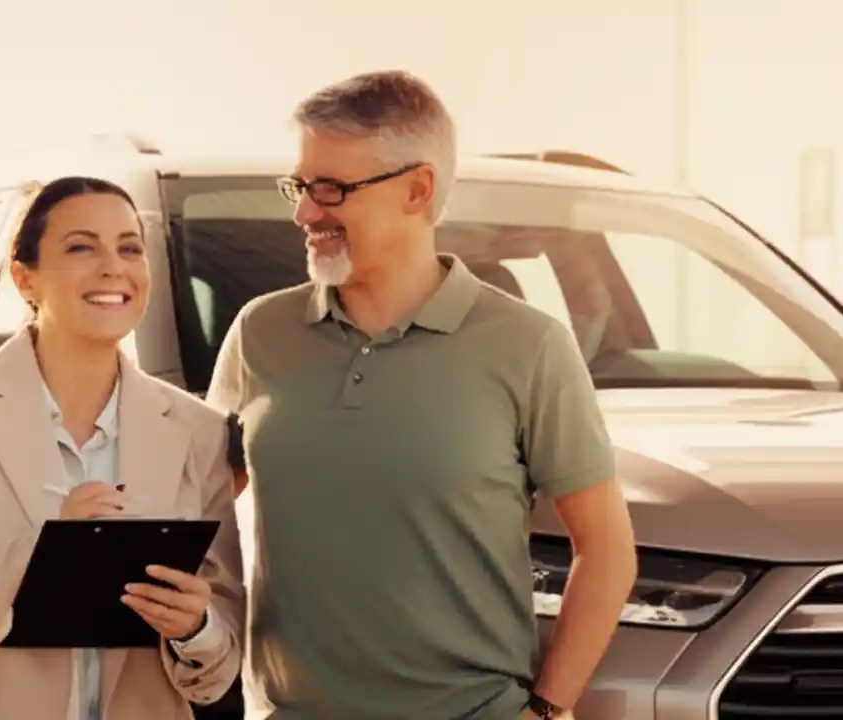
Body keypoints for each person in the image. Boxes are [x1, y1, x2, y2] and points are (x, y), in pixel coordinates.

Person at [207, 71, 638, 720]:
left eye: (330, 189)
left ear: (417, 189)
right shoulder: (259, 333)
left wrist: (547, 710)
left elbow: (605, 548)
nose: (303, 211)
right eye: (300, 186)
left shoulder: (529, 346)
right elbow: (198, 512)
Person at [0, 176, 245, 719]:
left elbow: (220, 662)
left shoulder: (198, 432)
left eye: (129, 248)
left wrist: (195, 628)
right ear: (24, 279)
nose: (113, 267)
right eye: (81, 247)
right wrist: (41, 557)